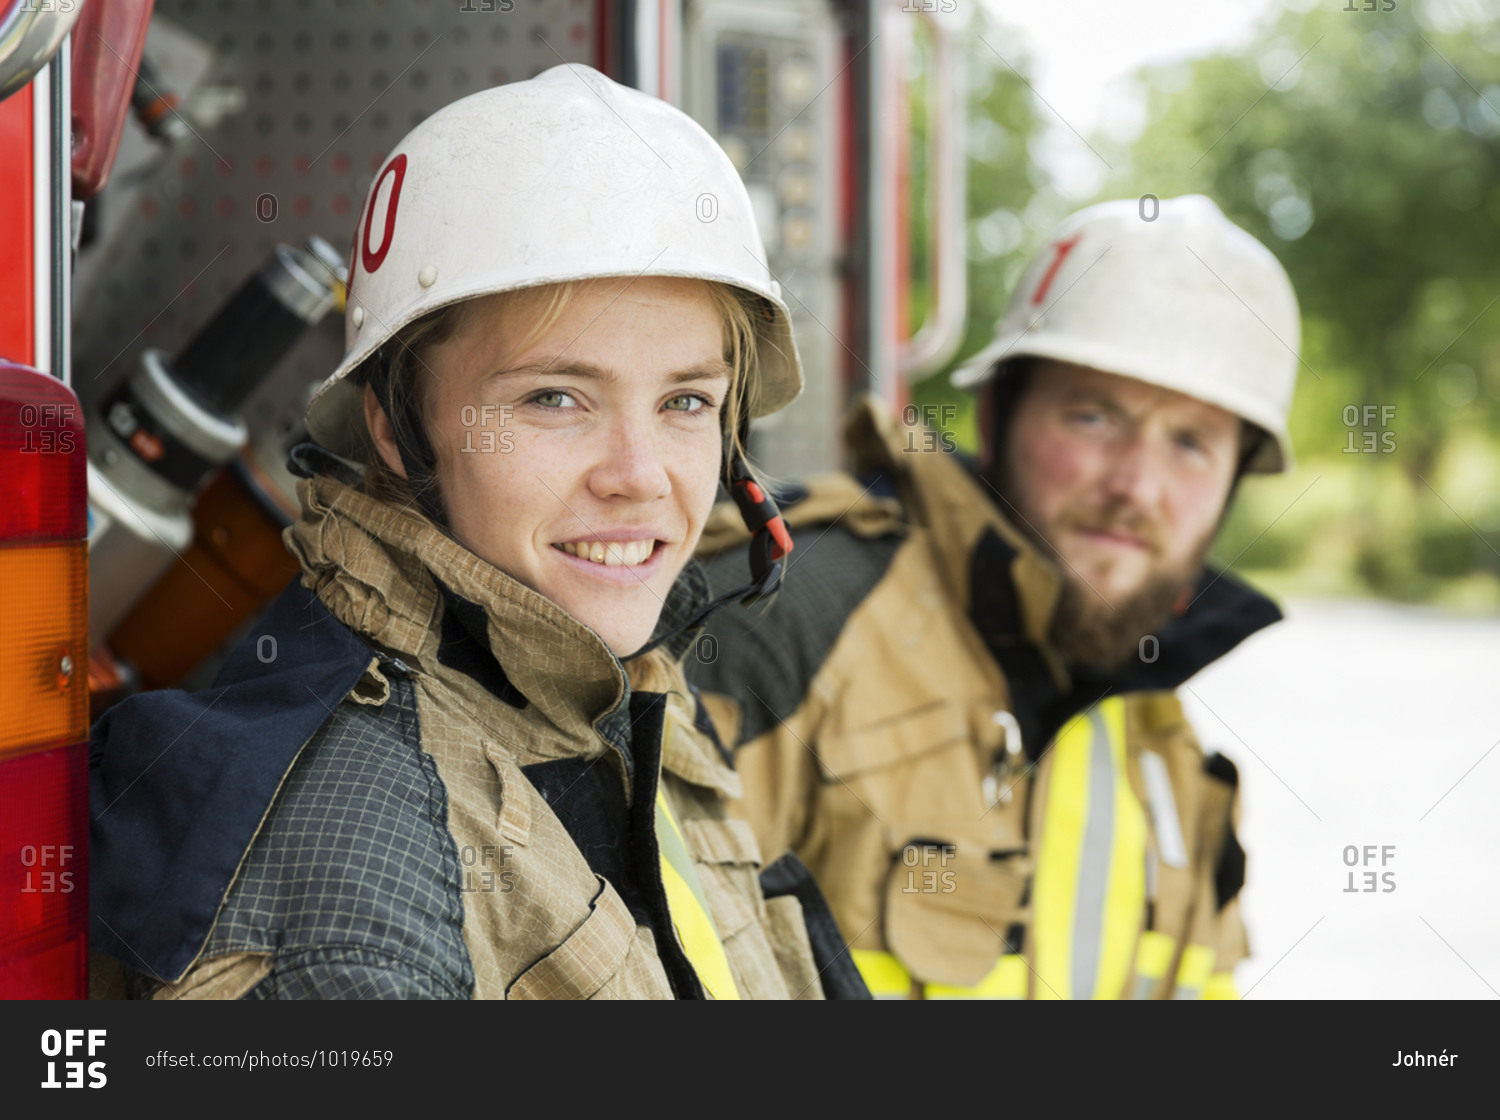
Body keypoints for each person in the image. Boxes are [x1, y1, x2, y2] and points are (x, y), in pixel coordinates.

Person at [88, 65, 863, 1000]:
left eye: (687, 401)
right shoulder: (351, 887)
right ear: (393, 424)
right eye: (554, 398)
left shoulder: (622, 695)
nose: (640, 475)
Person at [691, 194, 1300, 999]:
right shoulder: (783, 619)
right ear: (998, 411)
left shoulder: (1166, 746)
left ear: (1230, 484)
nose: (1136, 486)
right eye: (1093, 416)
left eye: (1192, 443)